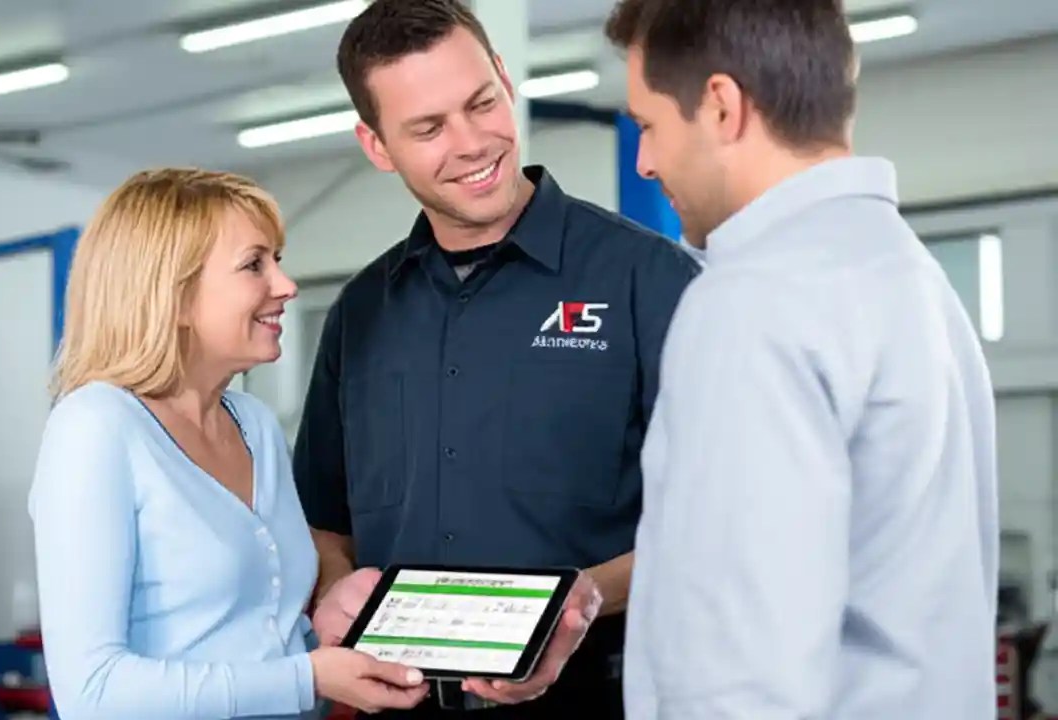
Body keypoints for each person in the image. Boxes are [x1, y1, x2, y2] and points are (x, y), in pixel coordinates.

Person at [292, 1, 700, 716]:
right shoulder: (360, 314)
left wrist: (581, 601)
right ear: (377, 145)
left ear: (506, 80)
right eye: (428, 128)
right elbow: (327, 519)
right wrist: (334, 586)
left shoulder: (650, 281)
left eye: (482, 103)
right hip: (400, 704)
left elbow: (720, 516)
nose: (473, 143)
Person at [603, 0, 1000, 717]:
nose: (645, 162)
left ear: (721, 107)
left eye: (648, 125)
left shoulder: (752, 301)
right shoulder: (909, 274)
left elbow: (737, 678)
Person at [28, 168, 430, 719]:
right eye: (253, 265)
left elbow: (267, 636)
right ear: (173, 295)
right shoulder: (96, 426)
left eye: (277, 260)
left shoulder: (253, 424)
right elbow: (92, 692)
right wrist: (309, 678)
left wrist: (354, 622)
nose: (286, 286)